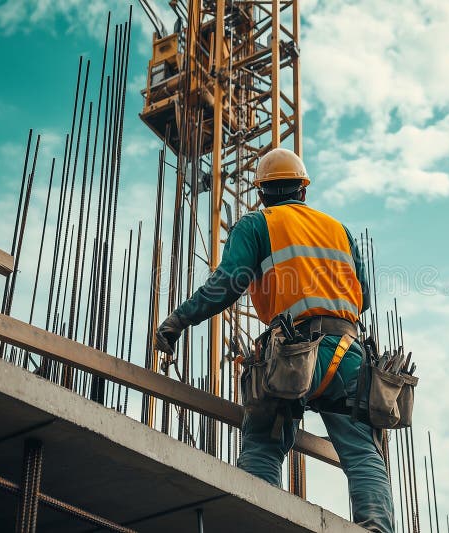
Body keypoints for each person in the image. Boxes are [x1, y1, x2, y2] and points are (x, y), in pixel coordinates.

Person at [155, 148, 394, 532]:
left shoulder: (257, 224)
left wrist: (178, 321)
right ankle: (376, 527)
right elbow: (363, 296)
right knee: (364, 451)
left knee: (265, 441)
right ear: (303, 191)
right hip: (349, 353)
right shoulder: (340, 230)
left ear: (262, 194)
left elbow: (227, 284)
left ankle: (258, 521)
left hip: (293, 353)